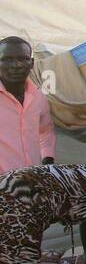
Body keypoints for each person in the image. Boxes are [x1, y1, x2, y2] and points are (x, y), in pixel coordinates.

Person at [0, 37, 55, 175]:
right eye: (7, 59)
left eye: (23, 58)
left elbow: (45, 131)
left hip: (33, 183)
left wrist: (47, 159)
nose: (16, 65)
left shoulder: (38, 97)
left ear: (31, 63)